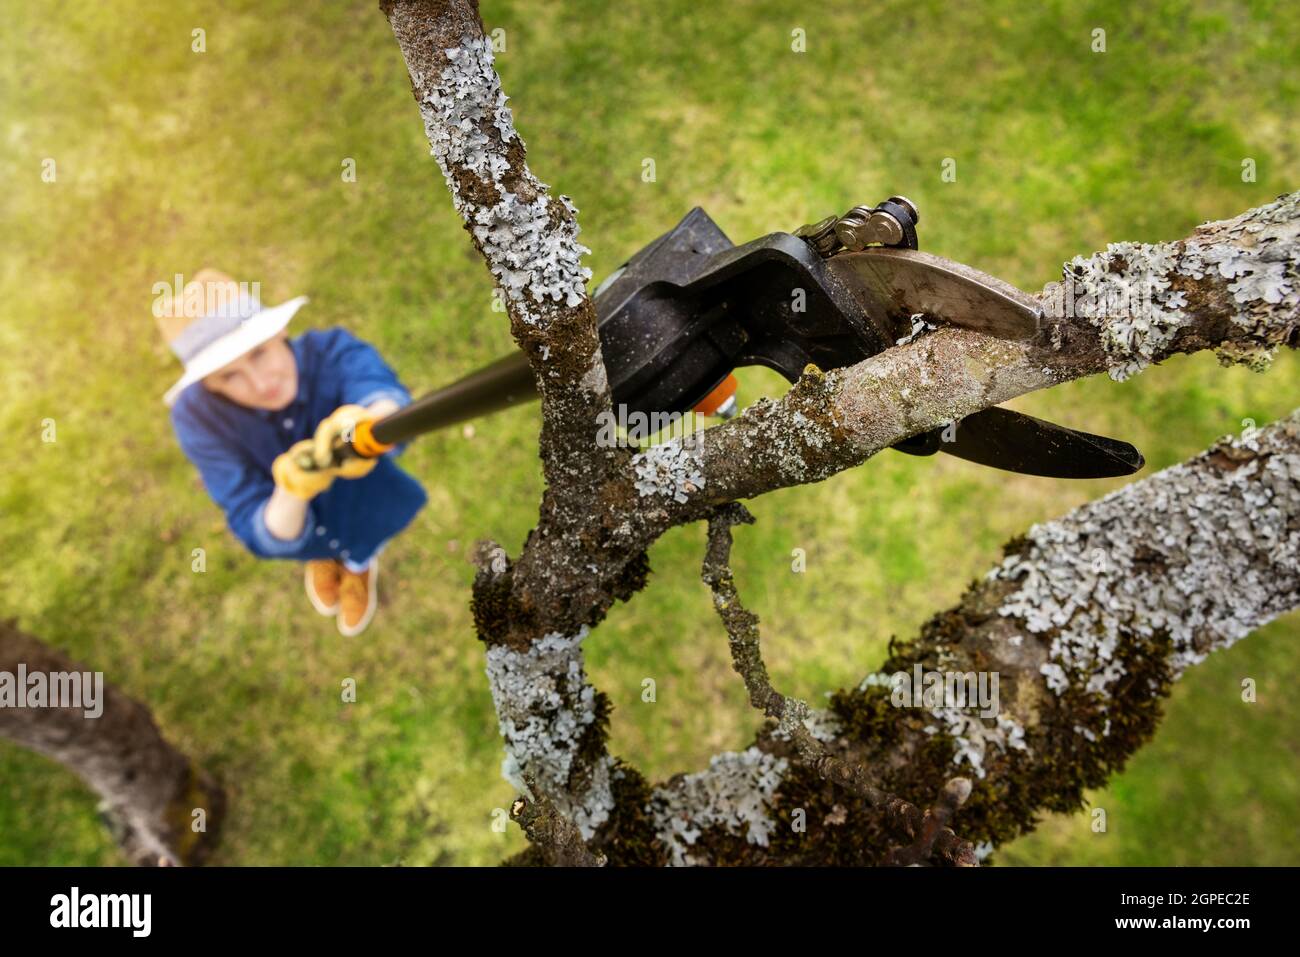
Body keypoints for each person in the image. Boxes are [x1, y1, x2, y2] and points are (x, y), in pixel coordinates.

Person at [158, 269, 427, 636]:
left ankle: (359, 566)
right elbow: (249, 512)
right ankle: (320, 557)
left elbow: (381, 396)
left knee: (365, 542)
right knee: (309, 542)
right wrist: (291, 490)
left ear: (278, 331)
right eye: (228, 376)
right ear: (207, 383)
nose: (260, 383)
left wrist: (363, 426)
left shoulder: (333, 352)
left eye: (258, 353)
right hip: (291, 520)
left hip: (364, 503)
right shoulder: (197, 417)